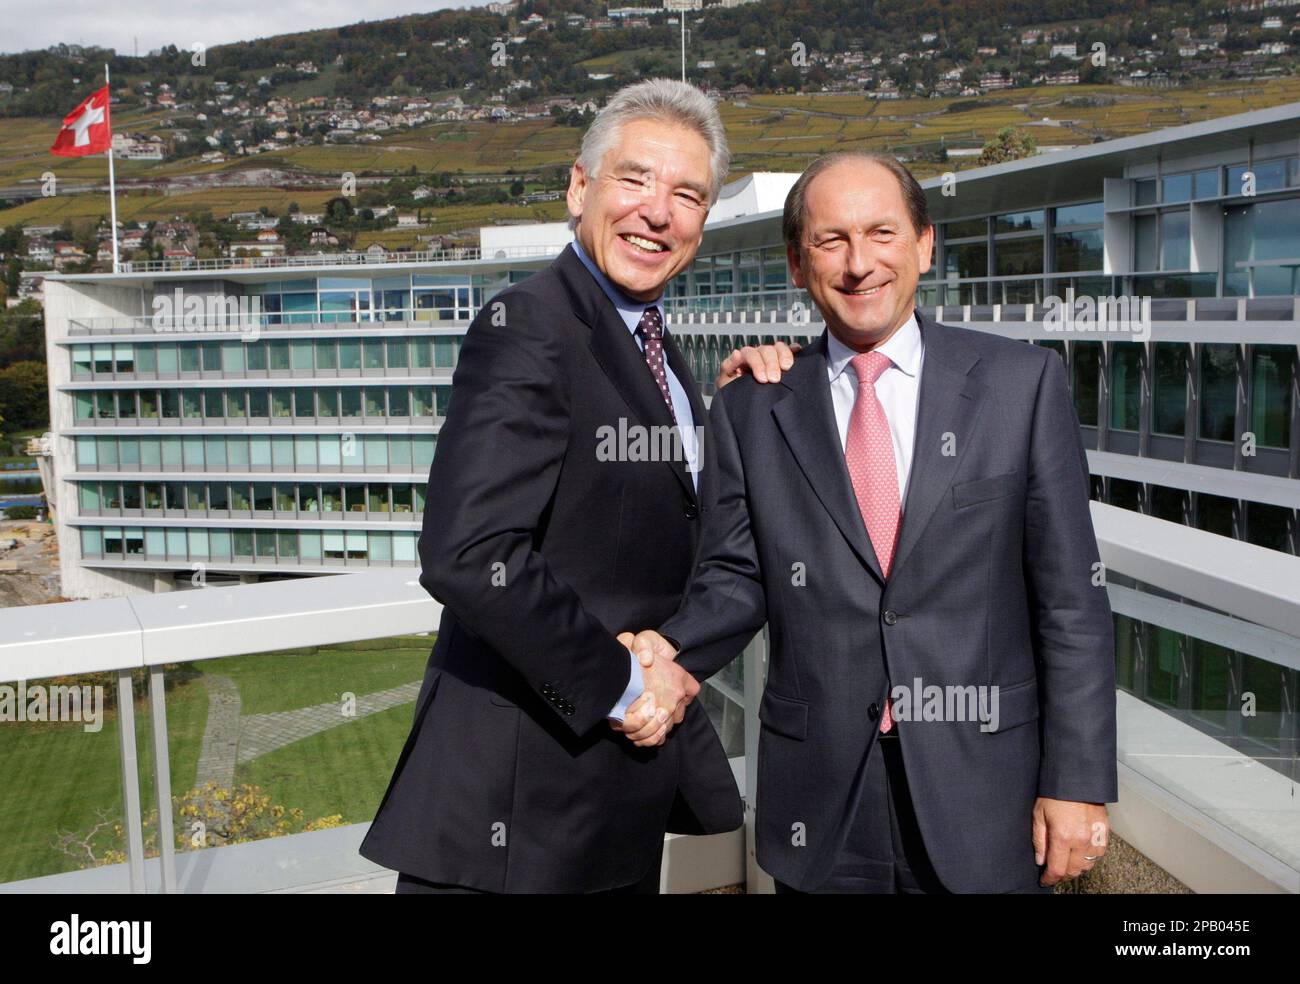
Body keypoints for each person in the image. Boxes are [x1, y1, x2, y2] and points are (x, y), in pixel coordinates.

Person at [623, 151, 1117, 893]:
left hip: (984, 794)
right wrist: (671, 652)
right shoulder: (753, 408)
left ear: (923, 245)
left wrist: (1076, 783)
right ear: (798, 264)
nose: (859, 264)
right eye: (831, 241)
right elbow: (734, 578)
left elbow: (1072, 603)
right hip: (821, 800)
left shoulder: (1023, 385)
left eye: (882, 234)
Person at [358, 78, 795, 894]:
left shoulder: (657, 351)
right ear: (579, 187)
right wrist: (629, 685)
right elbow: (469, 551)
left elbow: (659, 519)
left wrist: (730, 415)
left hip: (605, 805)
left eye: (687, 194)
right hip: (513, 819)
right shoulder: (529, 326)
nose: (657, 212)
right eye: (634, 180)